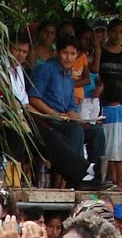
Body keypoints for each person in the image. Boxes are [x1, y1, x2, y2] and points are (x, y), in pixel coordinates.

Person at [28, 36, 104, 188]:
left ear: (77, 55)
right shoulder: (45, 69)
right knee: (74, 131)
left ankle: (94, 174)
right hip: (48, 120)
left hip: (64, 120)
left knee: (96, 132)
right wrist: (53, 114)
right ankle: (79, 177)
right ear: (57, 53)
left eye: (72, 54)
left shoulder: (69, 77)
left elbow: (70, 109)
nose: (68, 58)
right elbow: (33, 98)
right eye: (65, 53)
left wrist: (82, 121)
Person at [99, 79, 122, 190]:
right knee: (119, 162)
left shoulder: (103, 109)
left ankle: (113, 182)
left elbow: (100, 124)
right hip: (121, 137)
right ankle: (119, 183)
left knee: (109, 161)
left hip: (108, 136)